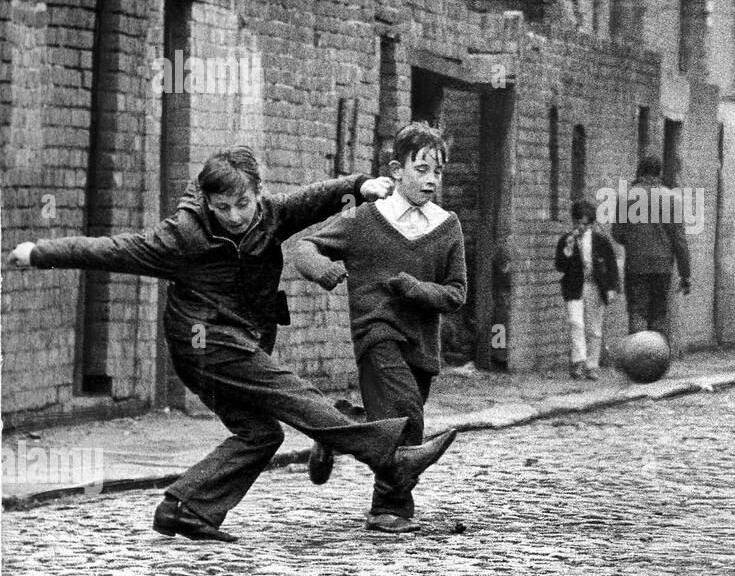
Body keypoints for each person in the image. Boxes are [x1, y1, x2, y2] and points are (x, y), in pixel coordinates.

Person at [5, 147, 457, 542]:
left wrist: (361, 185)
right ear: (207, 201)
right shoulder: (183, 236)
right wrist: (39, 253)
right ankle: (389, 458)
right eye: (224, 207)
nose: (236, 216)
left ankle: (187, 507)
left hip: (242, 339)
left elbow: (316, 197)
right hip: (202, 342)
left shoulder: (271, 217)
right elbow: (111, 249)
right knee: (290, 392)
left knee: (261, 434)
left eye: (243, 203)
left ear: (258, 193)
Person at [292, 123, 466, 534]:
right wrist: (323, 270)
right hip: (377, 333)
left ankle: (339, 427)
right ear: (396, 169)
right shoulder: (365, 219)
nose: (430, 179)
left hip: (422, 346)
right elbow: (305, 246)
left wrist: (415, 289)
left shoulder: (447, 226)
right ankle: (390, 508)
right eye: (421, 168)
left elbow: (457, 294)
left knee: (395, 419)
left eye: (437, 172)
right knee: (406, 422)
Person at [611, 154, 691, 341]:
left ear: (639, 171)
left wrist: (633, 241)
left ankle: (638, 360)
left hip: (636, 264)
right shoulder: (672, 198)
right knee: (659, 312)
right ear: (659, 173)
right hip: (663, 266)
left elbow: (617, 233)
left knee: (637, 310)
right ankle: (657, 360)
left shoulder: (627, 197)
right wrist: (685, 274)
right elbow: (679, 240)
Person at [555, 199, 621, 380]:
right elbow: (559, 266)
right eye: (577, 223)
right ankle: (578, 362)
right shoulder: (566, 240)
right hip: (574, 286)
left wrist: (612, 287)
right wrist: (567, 248)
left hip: (595, 286)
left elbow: (611, 265)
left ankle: (592, 365)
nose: (580, 227)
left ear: (591, 224)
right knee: (576, 323)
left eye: (584, 223)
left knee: (594, 328)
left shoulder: (600, 241)